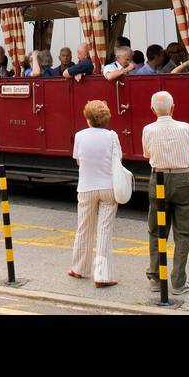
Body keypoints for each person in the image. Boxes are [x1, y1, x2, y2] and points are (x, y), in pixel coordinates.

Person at [142, 91, 189, 295]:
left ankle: (156, 279)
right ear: (173, 107)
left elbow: (146, 154)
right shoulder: (185, 127)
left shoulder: (148, 130)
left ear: (152, 110)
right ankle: (178, 281)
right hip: (183, 179)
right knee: (183, 232)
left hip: (157, 180)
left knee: (156, 229)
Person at [68, 99, 122, 288]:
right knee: (104, 230)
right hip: (108, 187)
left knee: (84, 227)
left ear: (88, 118)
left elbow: (78, 161)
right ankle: (102, 276)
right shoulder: (112, 136)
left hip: (86, 186)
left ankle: (79, 268)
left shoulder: (80, 135)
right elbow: (118, 159)